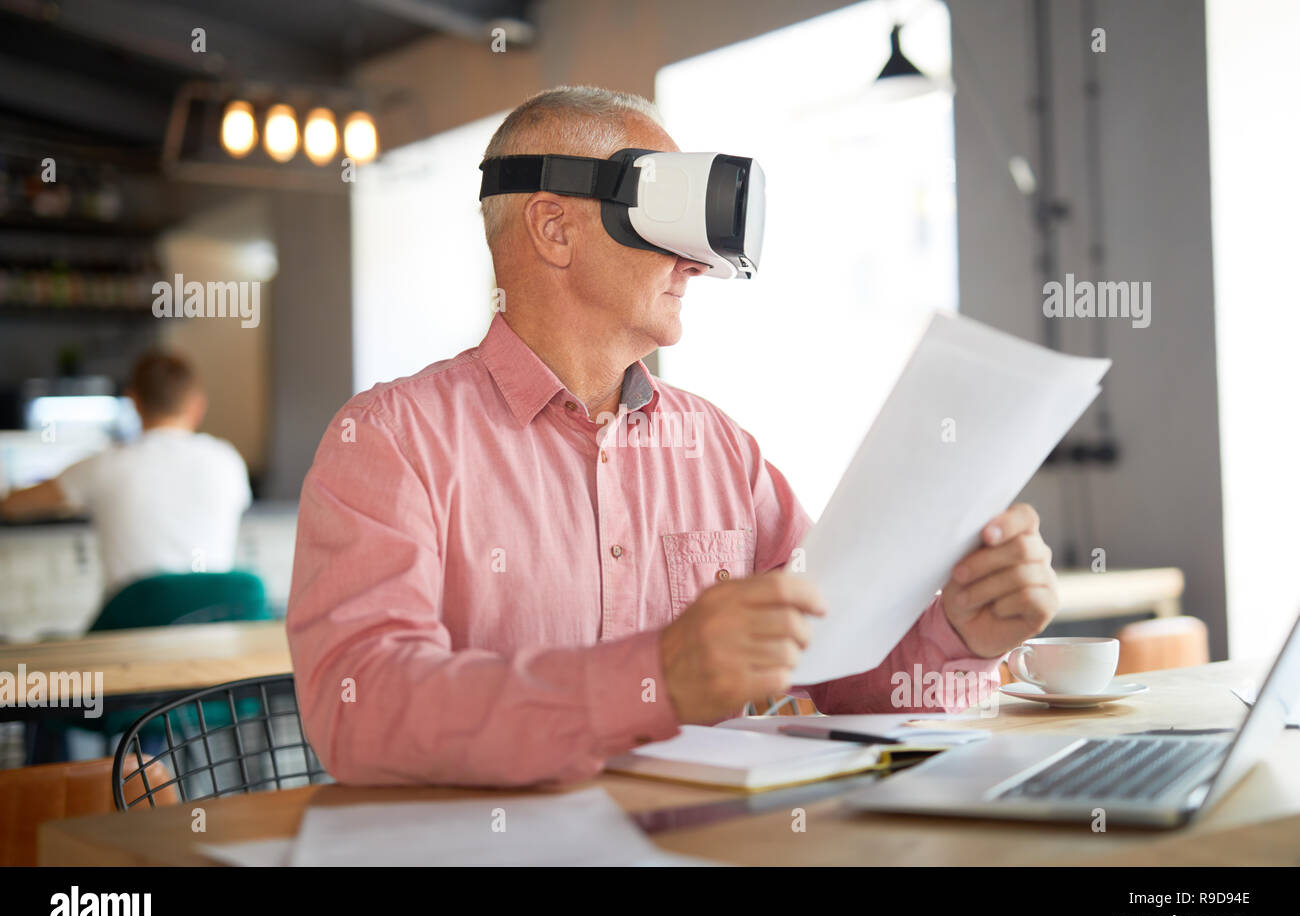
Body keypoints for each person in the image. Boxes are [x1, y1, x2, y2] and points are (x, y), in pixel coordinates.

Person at [287, 86, 1059, 787]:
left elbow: (839, 673)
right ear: (553, 227)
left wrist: (960, 632)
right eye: (663, 216)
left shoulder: (722, 451)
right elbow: (360, 707)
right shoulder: (392, 439)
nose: (697, 261)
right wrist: (653, 675)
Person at [0, 350, 252, 598]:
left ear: (133, 402)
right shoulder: (228, 460)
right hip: (215, 626)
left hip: (130, 627)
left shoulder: (103, 465)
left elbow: (11, 505)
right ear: (198, 406)